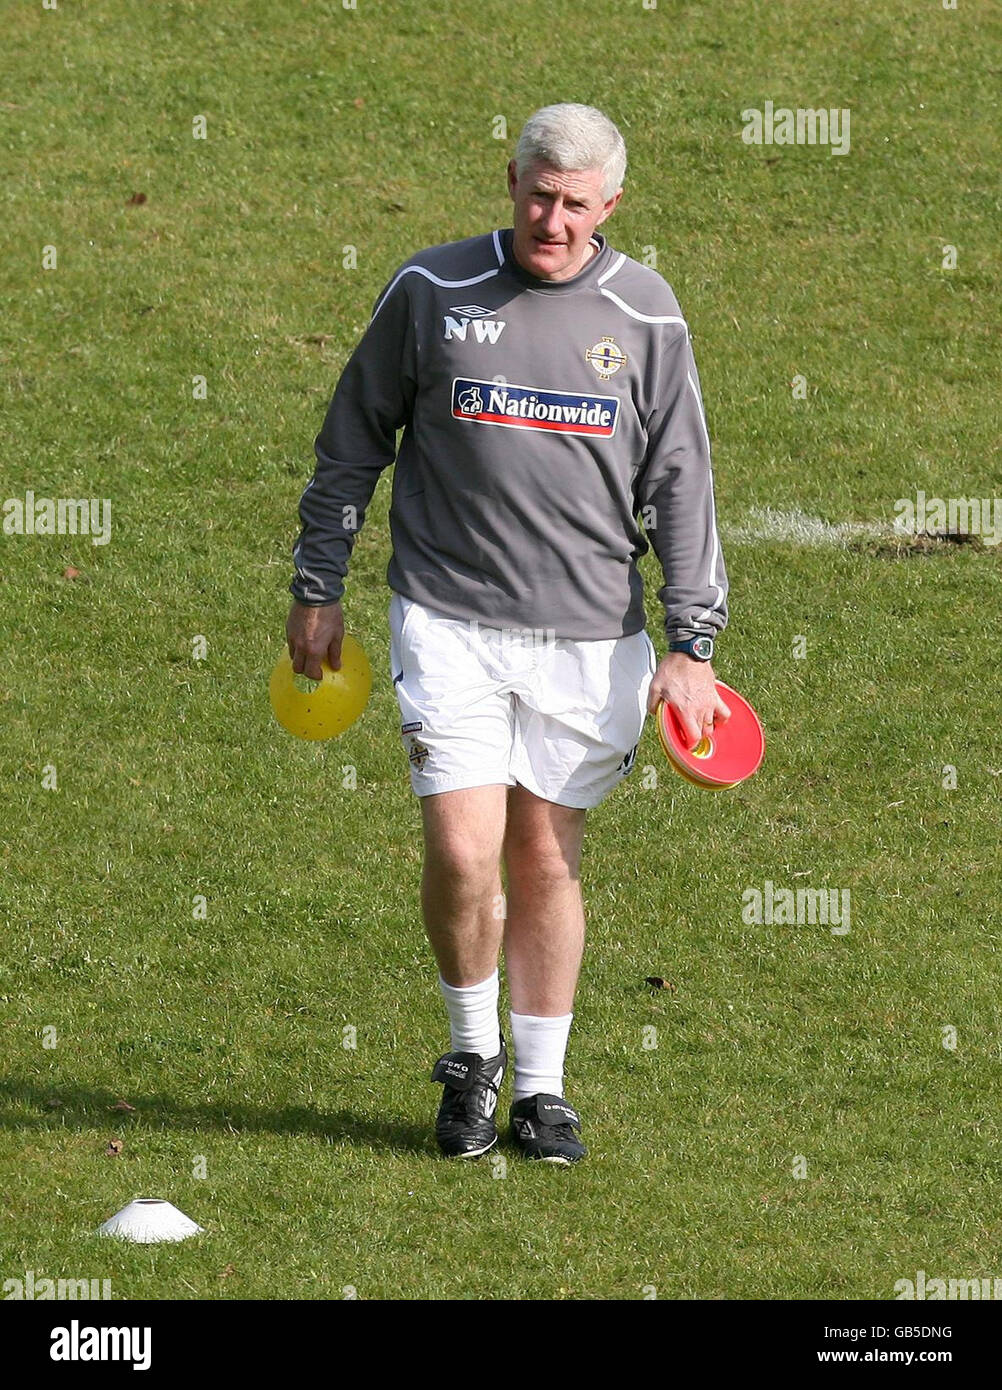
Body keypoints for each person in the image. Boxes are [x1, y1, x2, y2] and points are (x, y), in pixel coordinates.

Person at [286, 103, 729, 1165]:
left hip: (590, 636)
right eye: (539, 193)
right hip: (447, 619)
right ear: (512, 181)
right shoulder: (432, 289)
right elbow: (354, 437)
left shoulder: (650, 315)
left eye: (577, 203)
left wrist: (694, 643)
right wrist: (319, 582)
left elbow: (683, 483)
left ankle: (540, 1091)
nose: (554, 218)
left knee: (542, 852)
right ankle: (468, 1058)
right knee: (461, 846)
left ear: (610, 206)